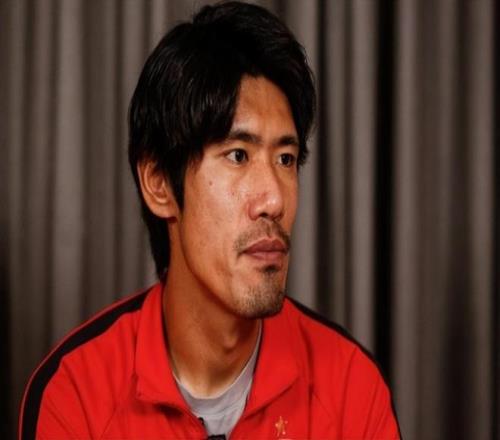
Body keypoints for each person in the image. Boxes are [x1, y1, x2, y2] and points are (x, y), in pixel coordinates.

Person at [19, 2, 400, 439]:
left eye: (286, 158)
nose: (274, 199)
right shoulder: (77, 393)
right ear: (159, 184)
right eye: (238, 155)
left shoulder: (350, 386)